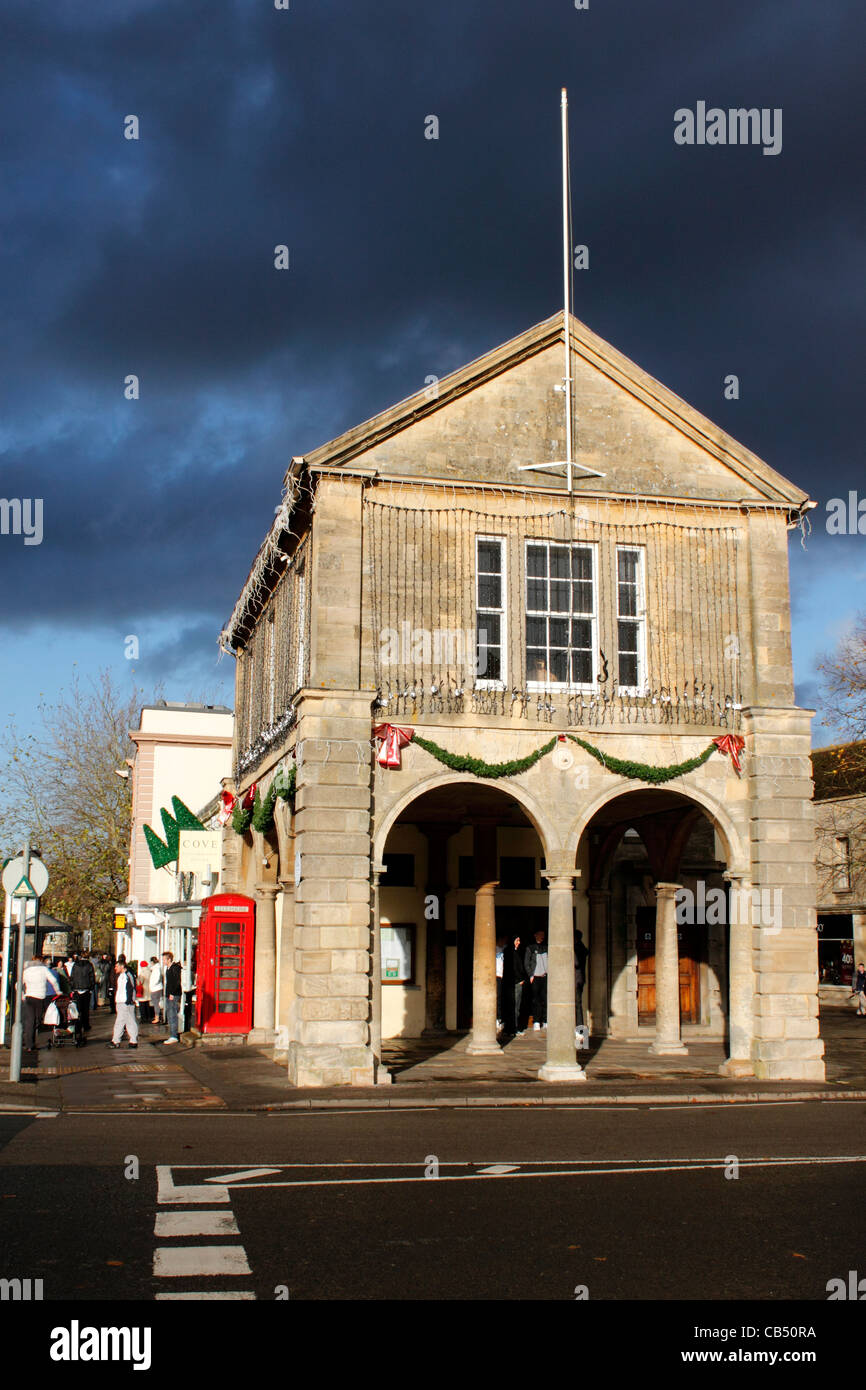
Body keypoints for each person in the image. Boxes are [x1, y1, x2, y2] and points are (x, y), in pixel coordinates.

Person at [22, 954, 57, 1052]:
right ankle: (30, 1042)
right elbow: (53, 980)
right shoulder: (43, 969)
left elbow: (18, 983)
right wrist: (58, 991)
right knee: (36, 1020)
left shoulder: (26, 971)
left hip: (29, 997)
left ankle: (29, 1044)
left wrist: (22, 995)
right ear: (41, 961)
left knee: (30, 1021)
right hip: (40, 997)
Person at [503, 934, 530, 1036]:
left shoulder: (516, 952)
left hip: (516, 982)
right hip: (512, 982)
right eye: (517, 940)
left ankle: (513, 1028)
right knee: (513, 1006)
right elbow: (513, 968)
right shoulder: (509, 952)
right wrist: (520, 979)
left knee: (515, 1006)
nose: (519, 942)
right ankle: (511, 1028)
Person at [109, 961, 138, 1048]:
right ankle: (117, 1040)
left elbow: (132, 987)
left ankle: (131, 1041)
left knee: (129, 1022)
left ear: (122, 966)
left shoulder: (128, 975)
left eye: (116, 966)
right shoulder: (121, 976)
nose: (115, 968)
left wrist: (129, 1000)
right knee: (121, 1022)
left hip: (126, 1002)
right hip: (120, 1002)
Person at [525, 928, 548, 1030]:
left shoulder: (546, 947)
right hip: (535, 977)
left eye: (543, 934)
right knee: (536, 1000)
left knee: (546, 999)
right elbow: (527, 962)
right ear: (535, 935)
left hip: (545, 976)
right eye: (540, 934)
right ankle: (536, 1021)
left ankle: (546, 1020)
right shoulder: (530, 948)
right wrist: (531, 974)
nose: (542, 936)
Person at [70, 951, 96, 1033]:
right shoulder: (89, 965)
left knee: (77, 1009)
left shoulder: (75, 965)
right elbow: (92, 978)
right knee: (85, 1009)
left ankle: (77, 1026)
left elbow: (72, 977)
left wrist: (73, 987)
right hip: (86, 989)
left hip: (77, 989)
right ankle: (85, 1025)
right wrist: (91, 988)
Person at [162, 951, 182, 1045]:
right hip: (168, 994)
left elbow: (177, 982)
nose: (163, 961)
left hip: (173, 995)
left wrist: (172, 993)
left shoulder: (174, 969)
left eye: (164, 959)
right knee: (170, 1015)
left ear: (169, 959)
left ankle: (174, 1036)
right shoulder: (168, 968)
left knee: (172, 1014)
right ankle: (172, 1035)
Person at [574, 929, 588, 1032]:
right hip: (579, 979)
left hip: (576, 979)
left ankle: (580, 1031)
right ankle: (581, 1031)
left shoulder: (577, 948)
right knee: (578, 1005)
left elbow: (576, 963)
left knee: (577, 1005)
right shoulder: (581, 947)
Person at [148, 956, 163, 1026]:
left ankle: (157, 1017)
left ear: (152, 962)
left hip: (156, 989)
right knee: (156, 1003)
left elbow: (156, 979)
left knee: (156, 1004)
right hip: (156, 988)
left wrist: (152, 985)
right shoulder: (156, 968)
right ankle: (157, 1016)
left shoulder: (156, 969)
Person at [495, 935, 506, 1031]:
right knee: (497, 998)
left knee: (501, 998)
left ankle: (500, 1018)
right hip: (495, 976)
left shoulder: (503, 949)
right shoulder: (494, 949)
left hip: (502, 976)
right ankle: (497, 1018)